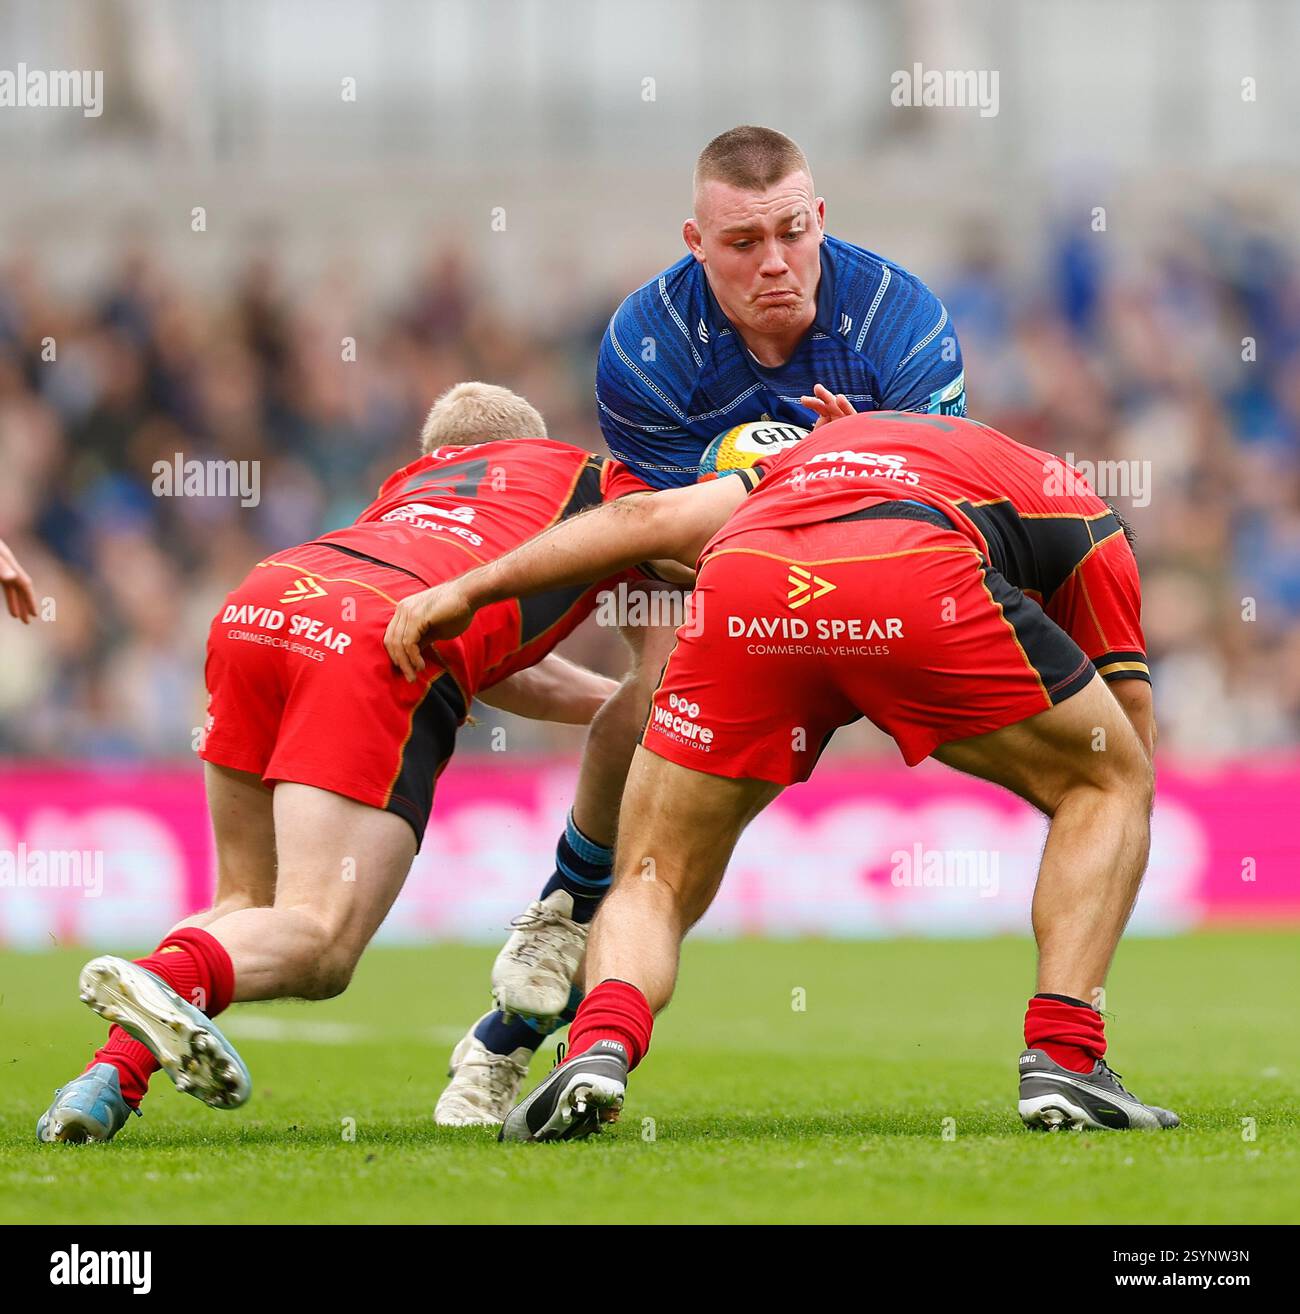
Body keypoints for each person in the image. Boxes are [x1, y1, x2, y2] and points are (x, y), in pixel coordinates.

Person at [386, 410, 1178, 1140]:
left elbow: (641, 521)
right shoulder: (1094, 527)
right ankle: (1067, 1059)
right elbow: (1128, 751)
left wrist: (468, 588)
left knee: (654, 873)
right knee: (1108, 784)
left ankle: (597, 1046)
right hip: (911, 574)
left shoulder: (821, 452)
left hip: (748, 582)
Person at [448, 123, 970, 1113]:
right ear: (696, 242)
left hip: (889, 586)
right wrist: (809, 494)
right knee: (662, 726)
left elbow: (940, 512)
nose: (774, 263)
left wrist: (868, 482)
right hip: (717, 584)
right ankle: (554, 944)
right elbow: (660, 538)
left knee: (1090, 751)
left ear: (819, 219)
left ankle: (1067, 1049)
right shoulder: (645, 347)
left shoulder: (902, 319)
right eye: (741, 244)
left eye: (792, 232)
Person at [35, 383, 655, 1143]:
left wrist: (602, 711)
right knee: (320, 943)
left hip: (263, 605)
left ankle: (106, 1079)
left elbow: (485, 661)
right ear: (534, 438)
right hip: (368, 644)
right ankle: (163, 979)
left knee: (241, 906)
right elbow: (635, 617)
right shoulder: (596, 481)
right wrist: (638, 714)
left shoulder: (412, 486)